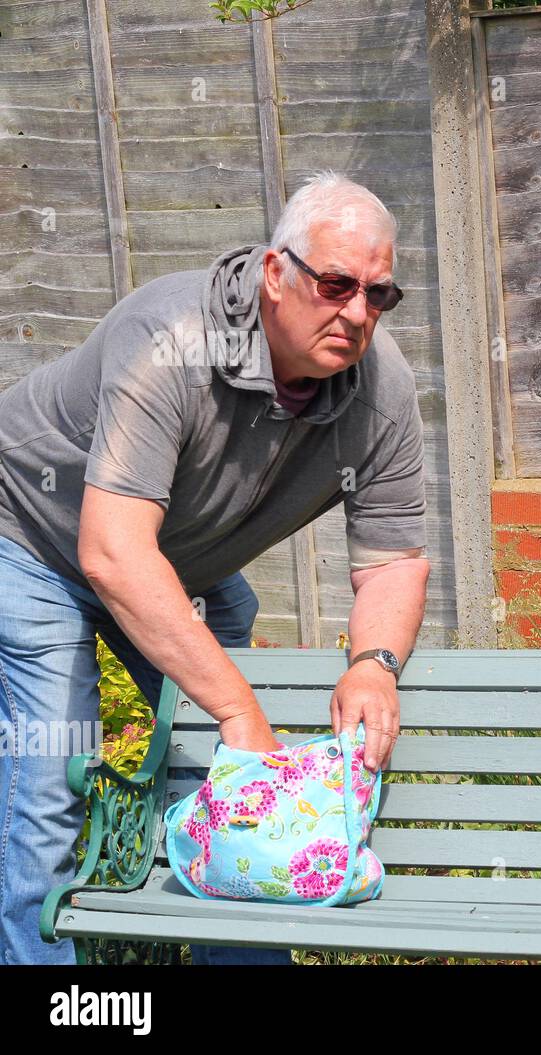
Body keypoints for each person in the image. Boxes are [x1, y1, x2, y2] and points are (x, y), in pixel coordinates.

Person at [0, 171, 431, 964]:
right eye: (336, 285)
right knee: (52, 779)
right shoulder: (173, 340)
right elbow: (111, 550)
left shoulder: (382, 389)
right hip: (33, 536)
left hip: (169, 562)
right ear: (275, 273)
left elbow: (394, 558)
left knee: (231, 782)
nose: (357, 312)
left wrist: (374, 665)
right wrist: (236, 706)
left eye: (378, 295)